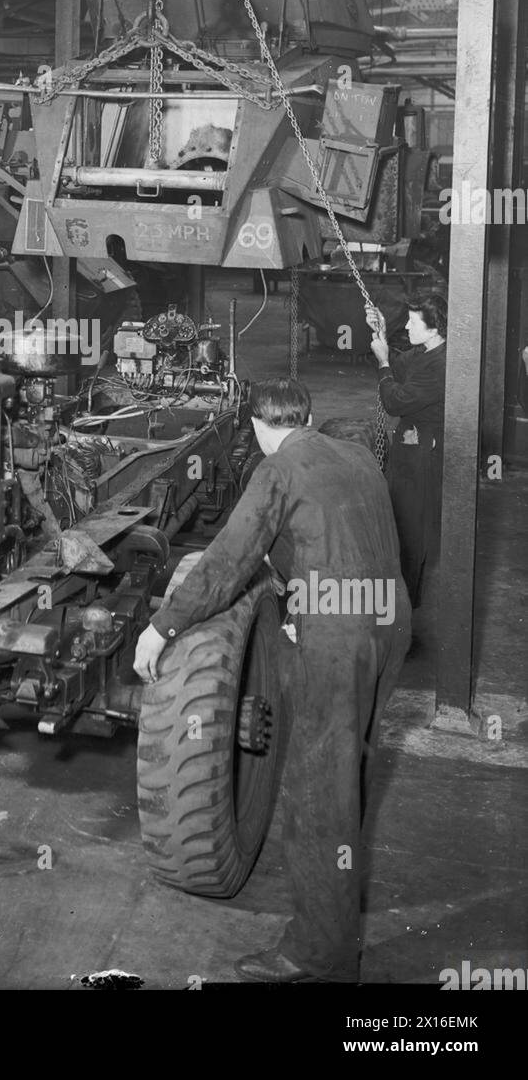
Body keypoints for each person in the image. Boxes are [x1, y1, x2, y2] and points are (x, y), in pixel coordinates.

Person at [133, 378, 411, 983]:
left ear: (257, 428)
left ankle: (320, 955)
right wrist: (301, 608)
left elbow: (228, 562)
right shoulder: (356, 454)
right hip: (390, 621)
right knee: (350, 770)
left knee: (317, 793)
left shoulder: (276, 470)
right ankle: (335, 909)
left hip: (341, 635)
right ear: (309, 415)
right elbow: (348, 534)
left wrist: (163, 626)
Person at [366, 293, 447, 606]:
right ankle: (400, 596)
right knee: (400, 522)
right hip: (409, 449)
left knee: (411, 528)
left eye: (414, 322)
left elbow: (395, 401)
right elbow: (400, 368)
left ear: (434, 328)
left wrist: (383, 361)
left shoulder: (440, 365)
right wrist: (381, 334)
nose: (408, 327)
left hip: (423, 453)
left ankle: (405, 605)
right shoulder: (425, 350)